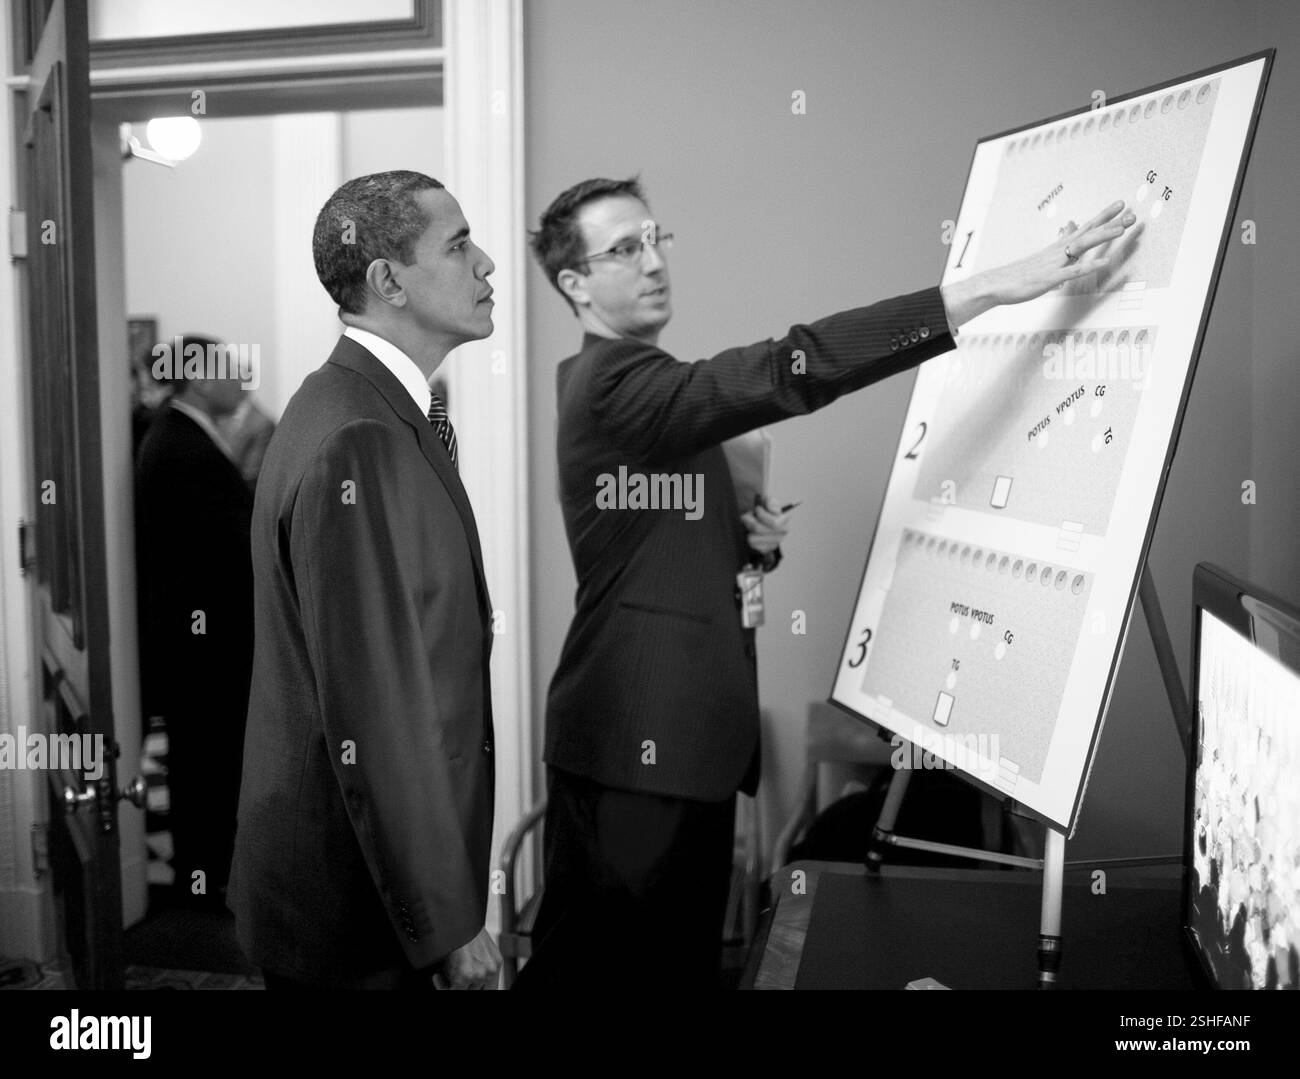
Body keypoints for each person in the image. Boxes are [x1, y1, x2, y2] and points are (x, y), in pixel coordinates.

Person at [519, 176, 1136, 988]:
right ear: (574, 283)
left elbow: (648, 536)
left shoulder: (638, 388)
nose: (653, 260)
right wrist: (985, 289)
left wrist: (752, 550)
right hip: (638, 752)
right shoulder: (614, 384)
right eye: (624, 249)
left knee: (670, 966)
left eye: (656, 237)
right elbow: (789, 367)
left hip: (683, 748)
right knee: (603, 972)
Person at [229, 171, 502, 990]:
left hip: (350, 883)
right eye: (457, 245)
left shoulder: (359, 405)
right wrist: (448, 924)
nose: (485, 263)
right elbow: (375, 712)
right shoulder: (356, 435)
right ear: (388, 280)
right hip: (356, 910)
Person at [135, 334, 253, 907]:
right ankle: (203, 884)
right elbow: (221, 551)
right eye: (231, 370)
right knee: (204, 763)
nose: (242, 379)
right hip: (199, 644)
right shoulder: (180, 445)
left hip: (201, 639)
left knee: (207, 760)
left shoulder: (183, 435)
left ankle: (209, 874)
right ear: (201, 378)